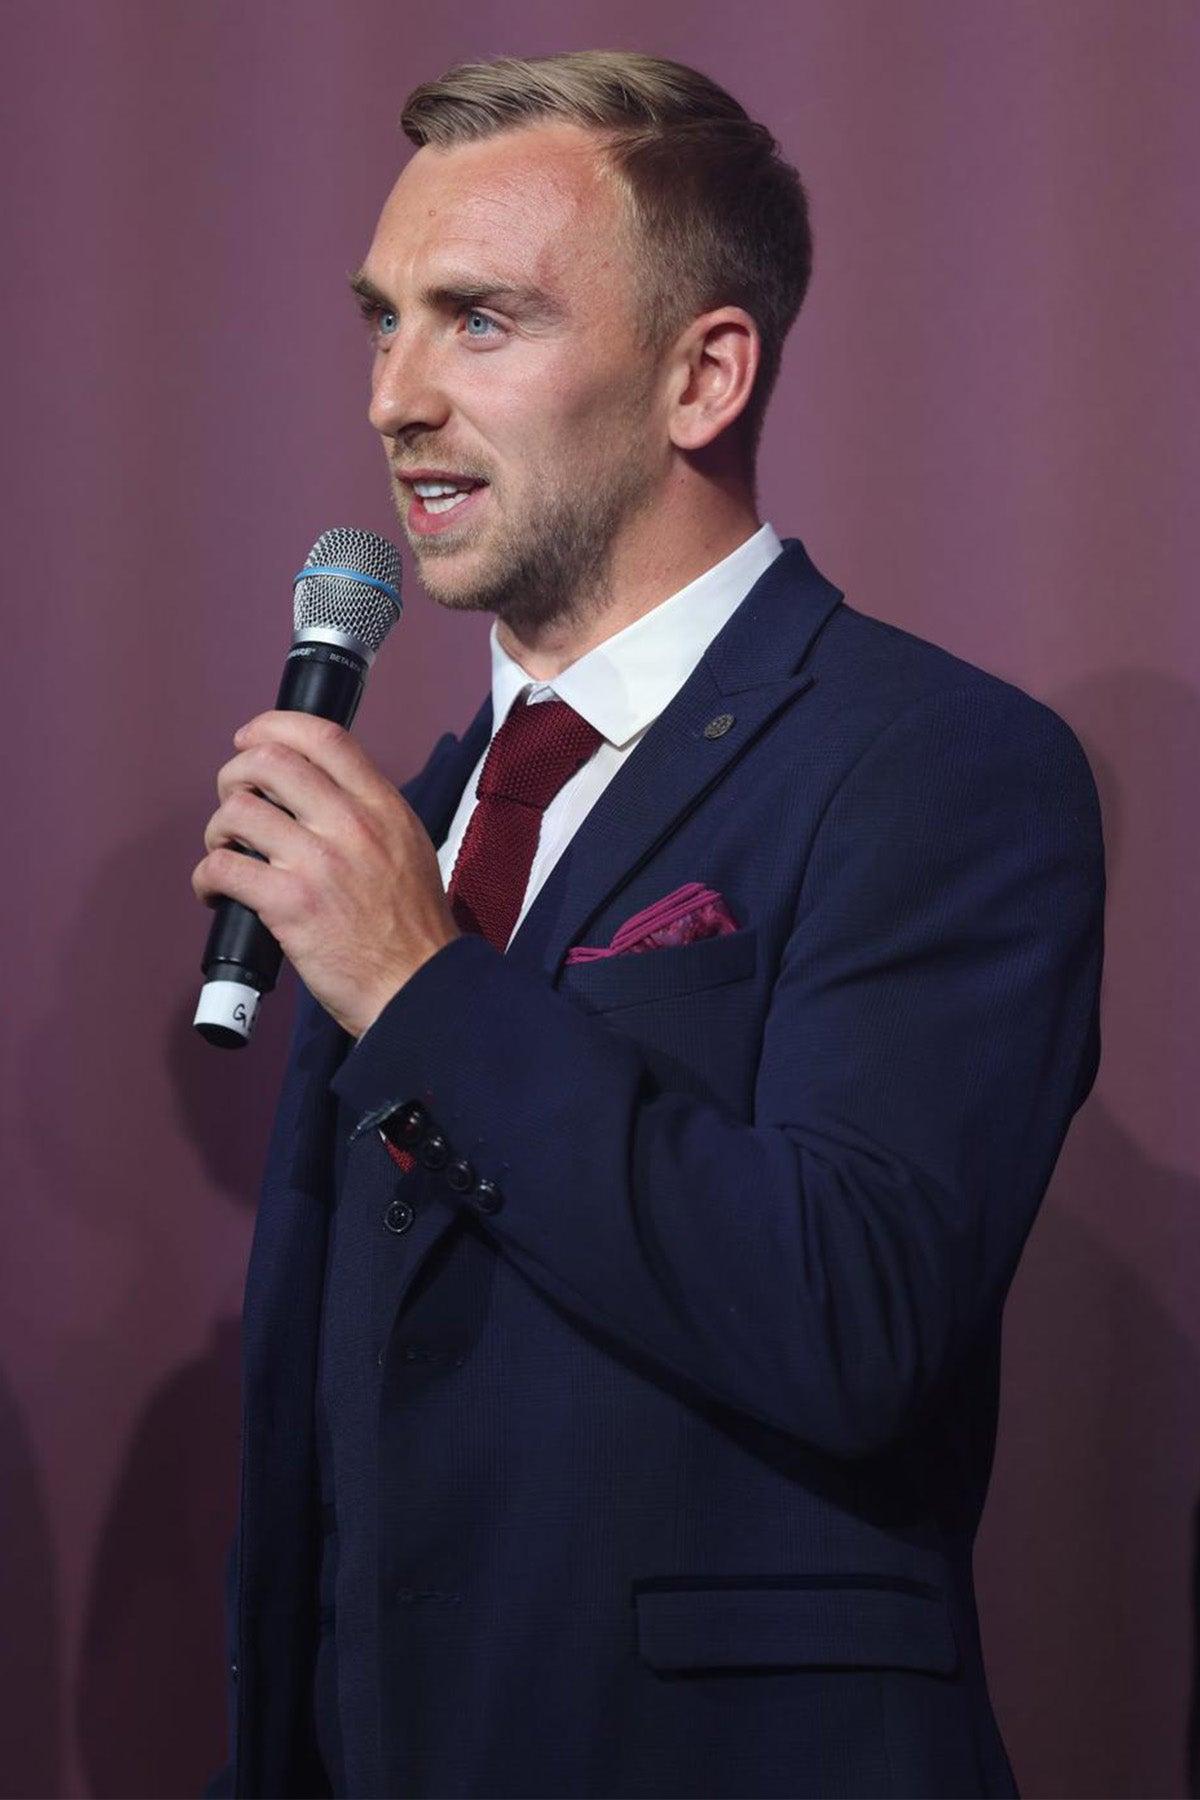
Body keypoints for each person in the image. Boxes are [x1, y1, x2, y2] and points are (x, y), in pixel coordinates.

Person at [194, 50, 1105, 1800]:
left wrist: (422, 984)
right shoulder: (436, 797)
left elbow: (854, 1314)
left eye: (478, 321)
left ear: (702, 375)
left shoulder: (936, 763)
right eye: (381, 321)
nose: (394, 396)